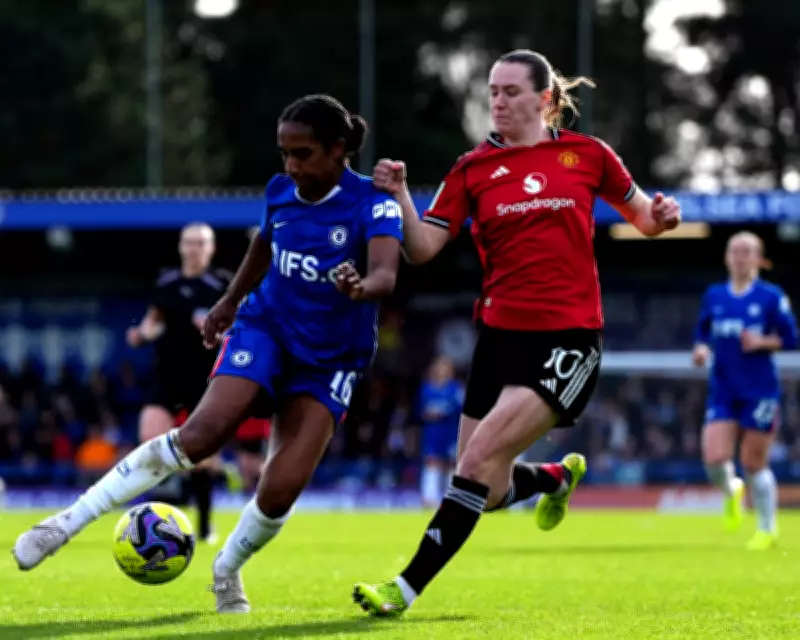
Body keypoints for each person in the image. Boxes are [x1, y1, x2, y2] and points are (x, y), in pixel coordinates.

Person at [12, 94, 404, 615]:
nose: (290, 165)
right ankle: (63, 524)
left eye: (302, 154)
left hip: (330, 359)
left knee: (280, 490)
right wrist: (229, 301)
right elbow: (263, 245)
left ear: (337, 150)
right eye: (284, 153)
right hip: (266, 329)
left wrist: (361, 287)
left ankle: (226, 568)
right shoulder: (280, 191)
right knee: (200, 436)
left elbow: (386, 274)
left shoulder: (373, 201)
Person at [353, 49, 681, 616]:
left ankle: (402, 589)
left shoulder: (589, 155)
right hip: (499, 339)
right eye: (493, 92)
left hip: (568, 338)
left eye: (511, 92)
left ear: (544, 99)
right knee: (484, 488)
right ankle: (554, 478)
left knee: (475, 463)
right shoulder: (472, 169)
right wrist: (401, 196)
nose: (498, 102)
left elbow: (645, 219)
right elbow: (423, 248)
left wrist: (664, 215)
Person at [126, 222, 232, 544]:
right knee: (149, 438)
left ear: (211, 248)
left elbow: (239, 331)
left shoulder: (222, 284)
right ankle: (158, 512)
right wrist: (141, 333)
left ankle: (204, 525)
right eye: (189, 242)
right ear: (181, 247)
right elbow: (153, 320)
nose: (194, 248)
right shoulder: (166, 282)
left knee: (203, 454)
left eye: (201, 243)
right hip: (167, 375)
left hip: (206, 380)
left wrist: (219, 333)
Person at [692, 231, 797, 550]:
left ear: (758, 259)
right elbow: (702, 331)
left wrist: (762, 341)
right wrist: (701, 349)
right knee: (714, 458)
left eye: (746, 251)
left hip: (759, 390)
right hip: (723, 388)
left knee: (753, 462)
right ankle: (732, 489)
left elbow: (791, 338)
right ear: (726, 258)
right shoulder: (714, 295)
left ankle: (767, 529)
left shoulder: (770, 297)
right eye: (734, 251)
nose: (739, 257)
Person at [417, 356, 464, 507]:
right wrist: (428, 414)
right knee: (432, 461)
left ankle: (451, 497)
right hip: (433, 432)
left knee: (451, 463)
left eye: (445, 367)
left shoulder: (456, 389)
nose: (442, 370)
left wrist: (444, 412)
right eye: (439, 367)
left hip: (450, 432)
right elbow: (419, 411)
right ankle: (429, 497)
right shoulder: (426, 388)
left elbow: (461, 409)